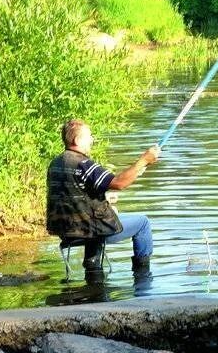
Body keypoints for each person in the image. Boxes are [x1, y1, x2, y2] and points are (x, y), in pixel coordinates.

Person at [45, 119, 160, 278]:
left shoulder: (55, 163)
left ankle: (93, 272)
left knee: (102, 218)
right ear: (77, 140)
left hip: (66, 231)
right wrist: (144, 160)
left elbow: (72, 195)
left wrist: (104, 198)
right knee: (143, 223)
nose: (92, 140)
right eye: (89, 136)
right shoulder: (84, 164)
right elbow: (119, 183)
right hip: (89, 230)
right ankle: (143, 279)